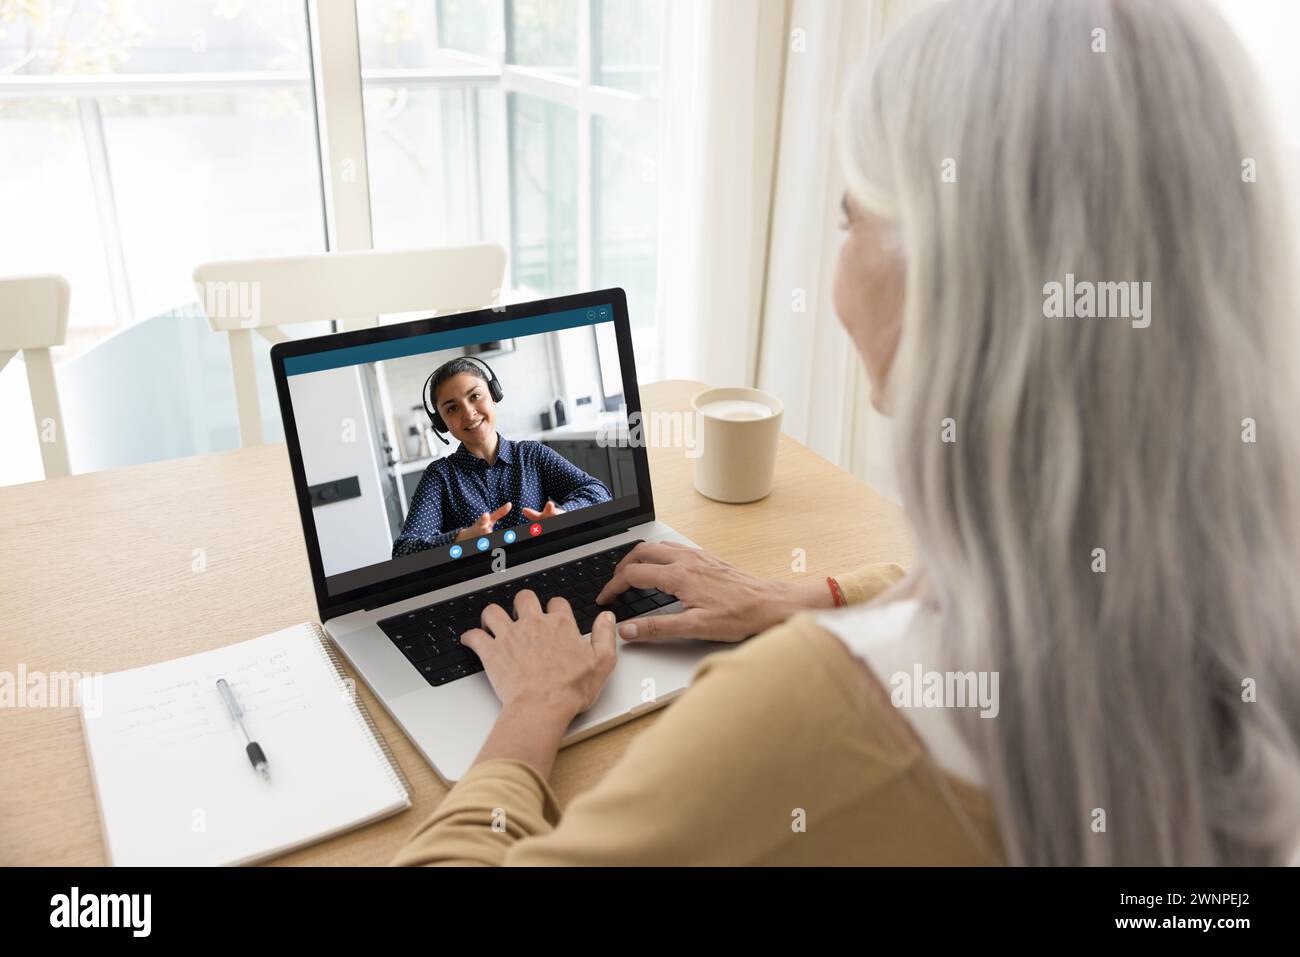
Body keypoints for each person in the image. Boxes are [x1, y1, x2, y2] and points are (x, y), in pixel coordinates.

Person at [392, 0, 1300, 866]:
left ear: (953, 283)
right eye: (451, 409)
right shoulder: (1254, 634)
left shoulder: (801, 724)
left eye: (847, 217)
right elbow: (415, 545)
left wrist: (533, 710)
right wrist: (818, 594)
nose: (833, 270)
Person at [392, 357, 612, 558]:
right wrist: (461, 539)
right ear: (441, 424)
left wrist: (564, 513)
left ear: (494, 396)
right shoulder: (439, 476)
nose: (468, 413)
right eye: (452, 409)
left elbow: (599, 492)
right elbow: (404, 551)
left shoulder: (532, 455)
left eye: (475, 396)